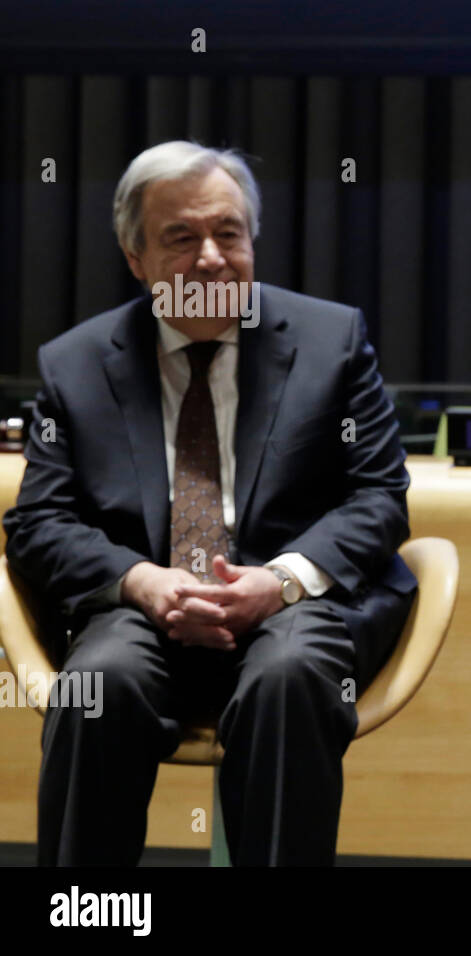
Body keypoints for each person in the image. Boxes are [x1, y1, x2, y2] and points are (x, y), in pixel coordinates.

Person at [2, 140, 417, 866]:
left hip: (289, 610)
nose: (212, 258)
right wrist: (142, 581)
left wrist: (281, 579)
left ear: (252, 240)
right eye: (181, 238)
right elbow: (38, 522)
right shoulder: (75, 364)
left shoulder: (331, 342)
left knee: (289, 678)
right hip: (139, 611)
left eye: (229, 233)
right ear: (135, 259)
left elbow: (378, 497)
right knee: (97, 686)